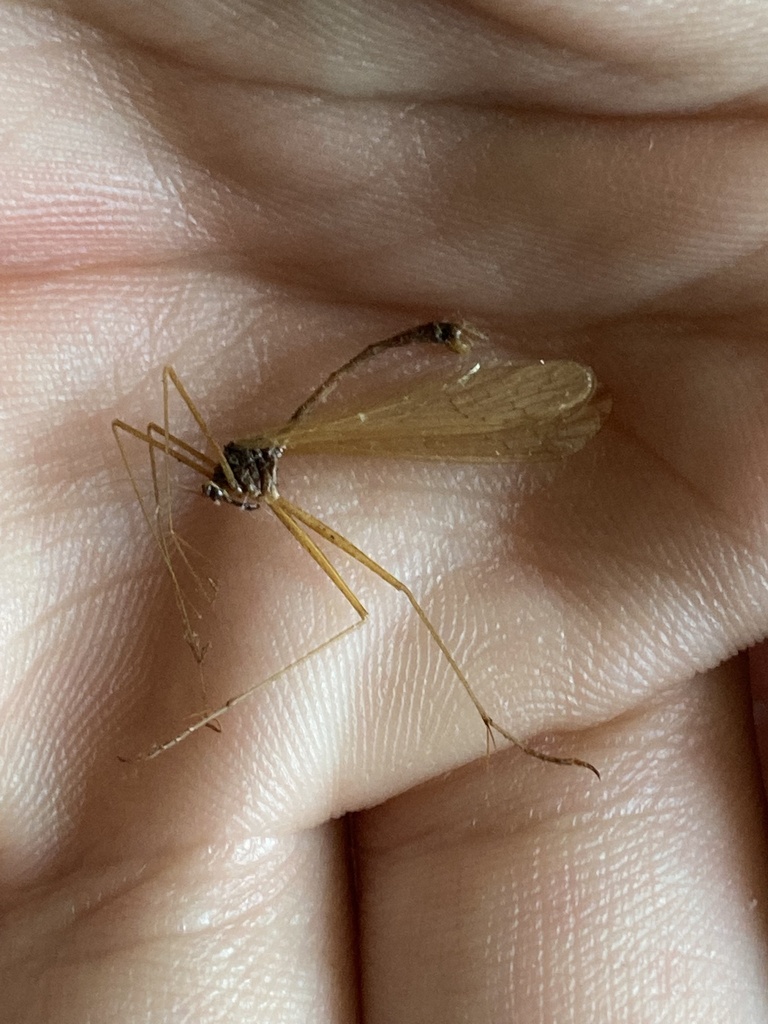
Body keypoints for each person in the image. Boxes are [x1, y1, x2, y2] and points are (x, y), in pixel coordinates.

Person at [2, 1, 767, 1020]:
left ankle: (496, 717)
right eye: (226, 491)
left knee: (380, 594)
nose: (220, 497)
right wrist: (186, 601)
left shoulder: (276, 460)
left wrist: (210, 688)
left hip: (422, 354)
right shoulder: (202, 452)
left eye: (231, 490)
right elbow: (142, 438)